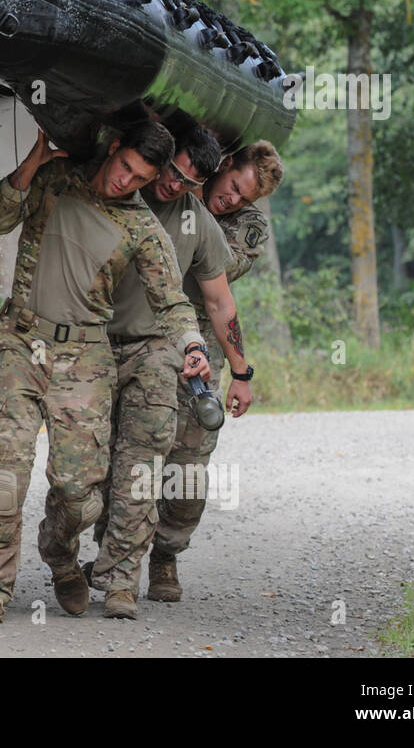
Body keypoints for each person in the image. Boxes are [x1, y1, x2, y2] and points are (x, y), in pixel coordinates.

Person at [0, 121, 211, 624]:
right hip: (23, 342)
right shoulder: (55, 180)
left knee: (80, 495)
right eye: (124, 168)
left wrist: (192, 344)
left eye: (140, 178)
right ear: (114, 148)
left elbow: (173, 300)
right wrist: (28, 167)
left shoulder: (141, 226)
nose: (126, 182)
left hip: (85, 359)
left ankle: (59, 553)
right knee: (6, 474)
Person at [87, 123, 254, 618]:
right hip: (90, 347)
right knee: (85, 471)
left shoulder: (196, 222)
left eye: (186, 181)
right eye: (171, 172)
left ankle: (125, 576)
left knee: (146, 465)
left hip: (156, 350)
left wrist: (241, 372)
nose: (172, 185)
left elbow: (220, 300)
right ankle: (73, 557)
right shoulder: (113, 188)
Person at [148, 139, 283, 603]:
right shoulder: (166, 186)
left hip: (201, 349)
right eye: (234, 187)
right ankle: (116, 557)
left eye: (245, 198)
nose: (234, 200)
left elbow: (213, 283)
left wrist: (243, 375)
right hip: (141, 336)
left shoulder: (247, 226)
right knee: (130, 456)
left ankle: (165, 554)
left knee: (187, 469)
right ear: (226, 165)